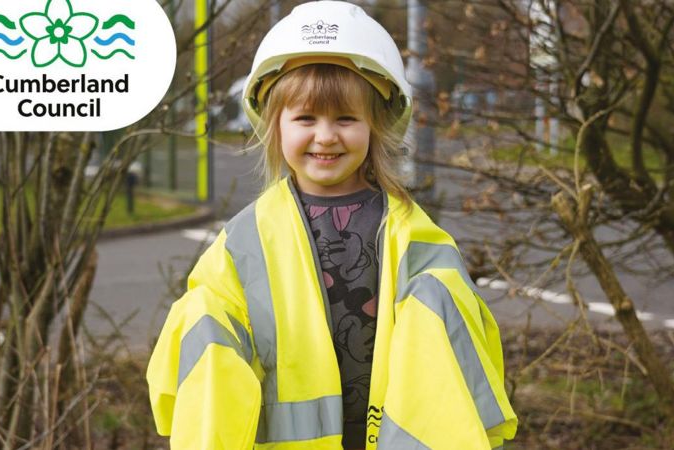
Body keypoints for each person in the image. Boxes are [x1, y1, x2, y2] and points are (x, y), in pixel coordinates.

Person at [146, 1, 517, 449]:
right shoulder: (245, 243)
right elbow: (203, 338)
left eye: (345, 118)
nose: (325, 136)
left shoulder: (409, 233)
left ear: (376, 124)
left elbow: (455, 338)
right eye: (305, 118)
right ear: (275, 126)